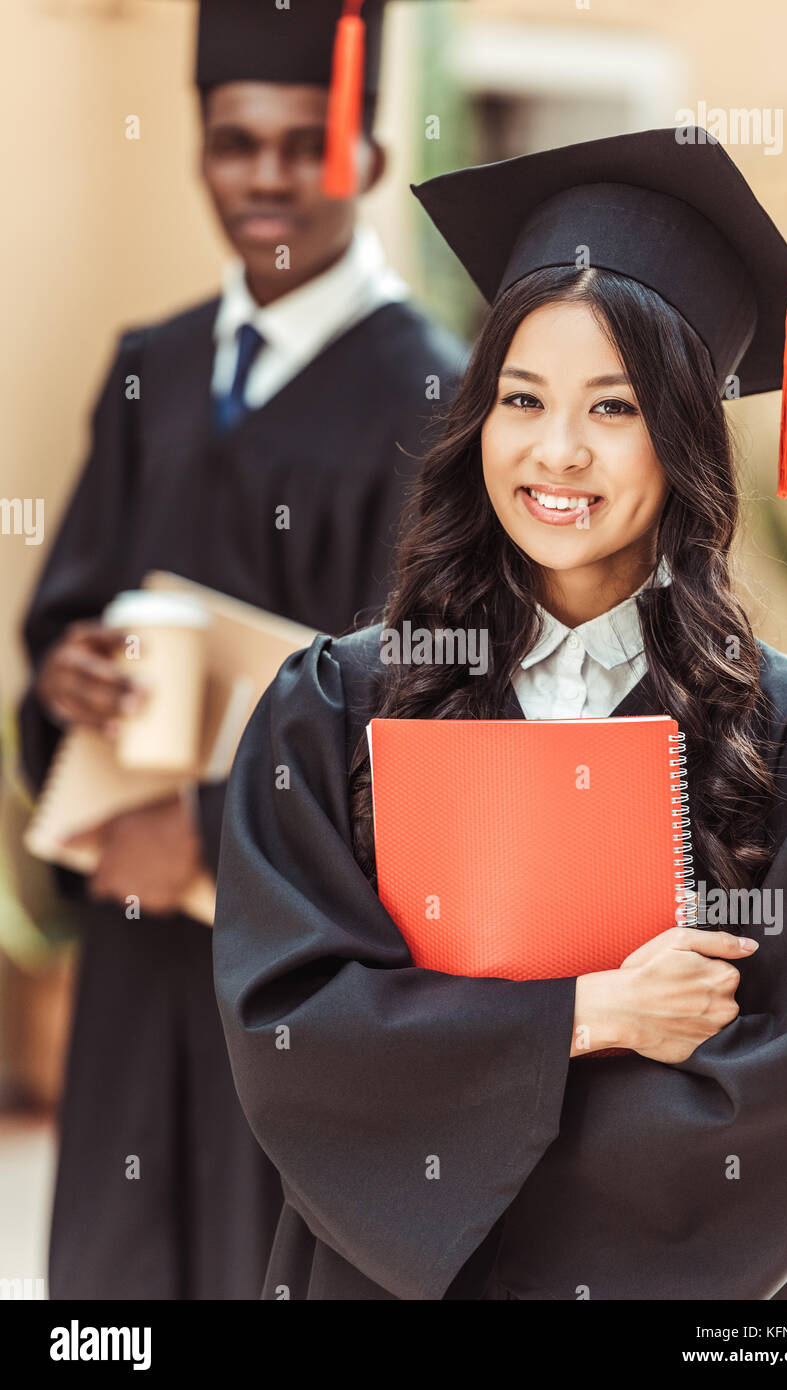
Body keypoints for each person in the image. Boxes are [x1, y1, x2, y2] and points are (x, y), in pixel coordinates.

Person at [212, 128, 787, 1300]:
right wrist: (584, 1015)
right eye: (523, 398)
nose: (556, 451)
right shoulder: (341, 701)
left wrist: (472, 1077)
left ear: (683, 439)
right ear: (478, 419)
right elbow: (294, 1029)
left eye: (614, 408)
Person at [17, 0, 464, 1300]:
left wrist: (213, 835)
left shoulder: (432, 399)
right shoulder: (151, 366)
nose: (264, 174)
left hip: (294, 970)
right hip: (128, 940)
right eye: (232, 141)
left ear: (365, 158)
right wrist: (63, 678)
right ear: (200, 152)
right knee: (110, 1289)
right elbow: (67, 605)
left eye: (300, 142)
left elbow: (425, 701)